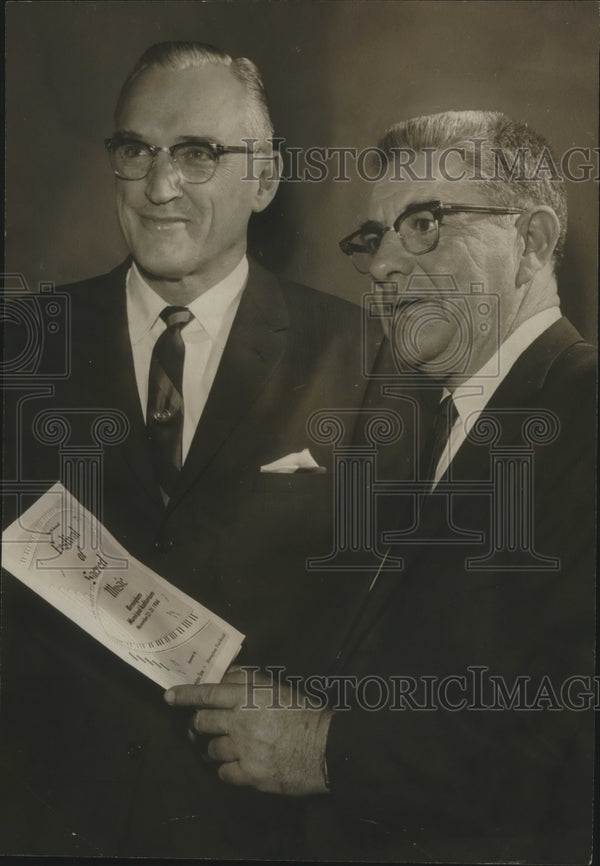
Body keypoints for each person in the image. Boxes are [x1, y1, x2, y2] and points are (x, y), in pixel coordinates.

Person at [169, 111, 596, 863]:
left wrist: (326, 749)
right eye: (374, 238)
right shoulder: (438, 425)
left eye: (425, 223)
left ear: (529, 243)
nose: (384, 267)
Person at [0, 41, 387, 857]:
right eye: (135, 149)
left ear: (267, 179)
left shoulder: (363, 357)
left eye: (197, 153)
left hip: (255, 833)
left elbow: (402, 622)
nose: (158, 185)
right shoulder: (19, 348)